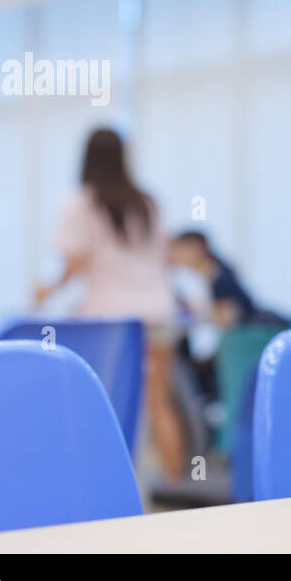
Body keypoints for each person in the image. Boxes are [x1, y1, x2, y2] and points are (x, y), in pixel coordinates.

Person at [37, 126, 186, 482]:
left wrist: (47, 291)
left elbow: (73, 262)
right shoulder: (146, 202)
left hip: (111, 322)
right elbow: (163, 258)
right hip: (158, 311)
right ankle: (182, 494)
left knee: (102, 405)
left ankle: (103, 487)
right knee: (159, 402)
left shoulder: (80, 203)